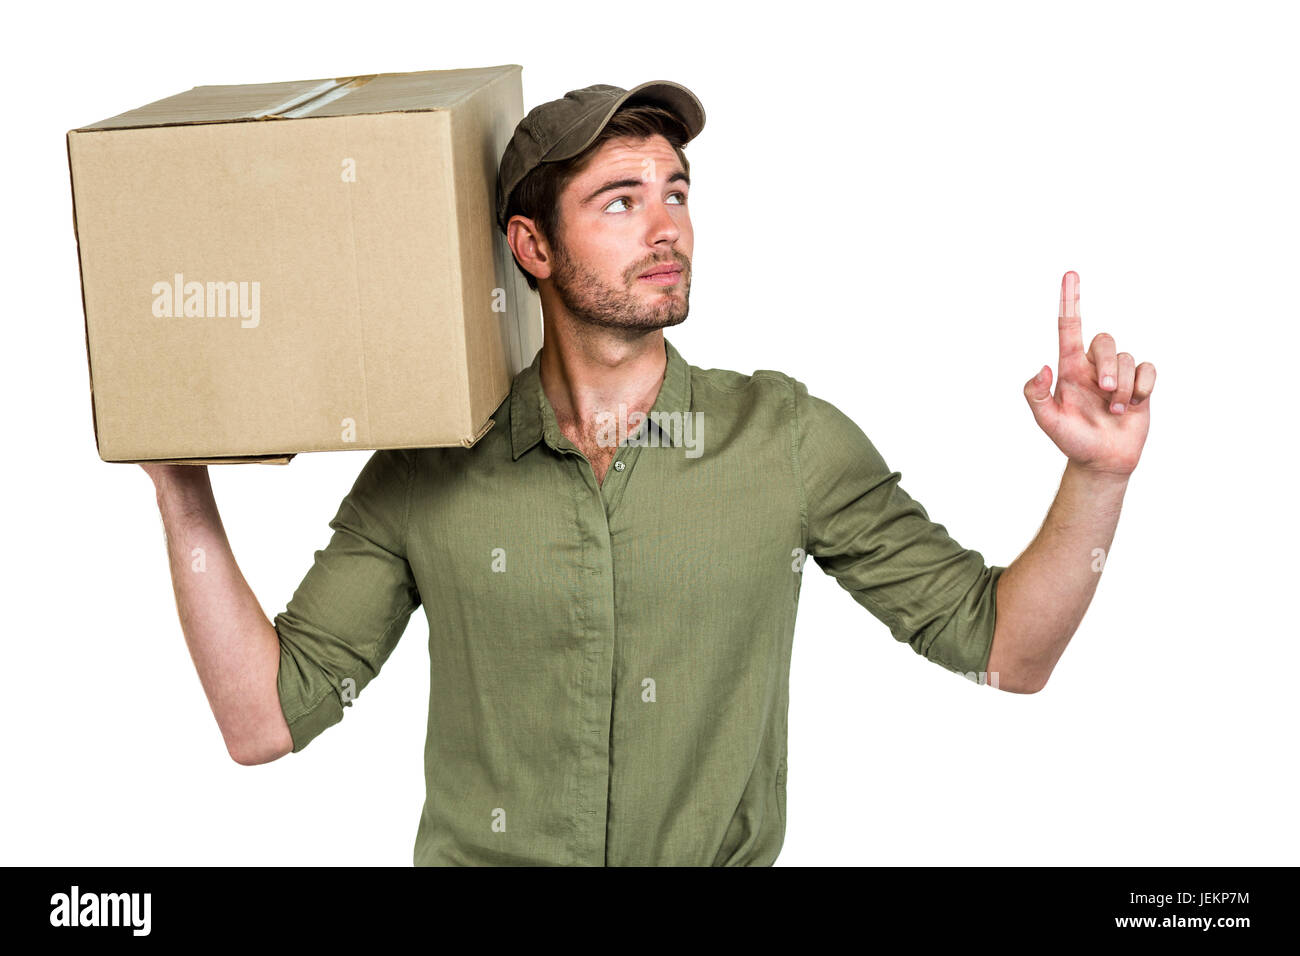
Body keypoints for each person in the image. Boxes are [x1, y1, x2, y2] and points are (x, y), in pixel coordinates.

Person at [142, 80, 1157, 866]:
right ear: (531, 245)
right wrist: (180, 481)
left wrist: (1097, 478)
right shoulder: (427, 464)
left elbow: (1005, 649)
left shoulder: (784, 437)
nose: (666, 225)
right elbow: (264, 718)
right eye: (619, 201)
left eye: (675, 191)